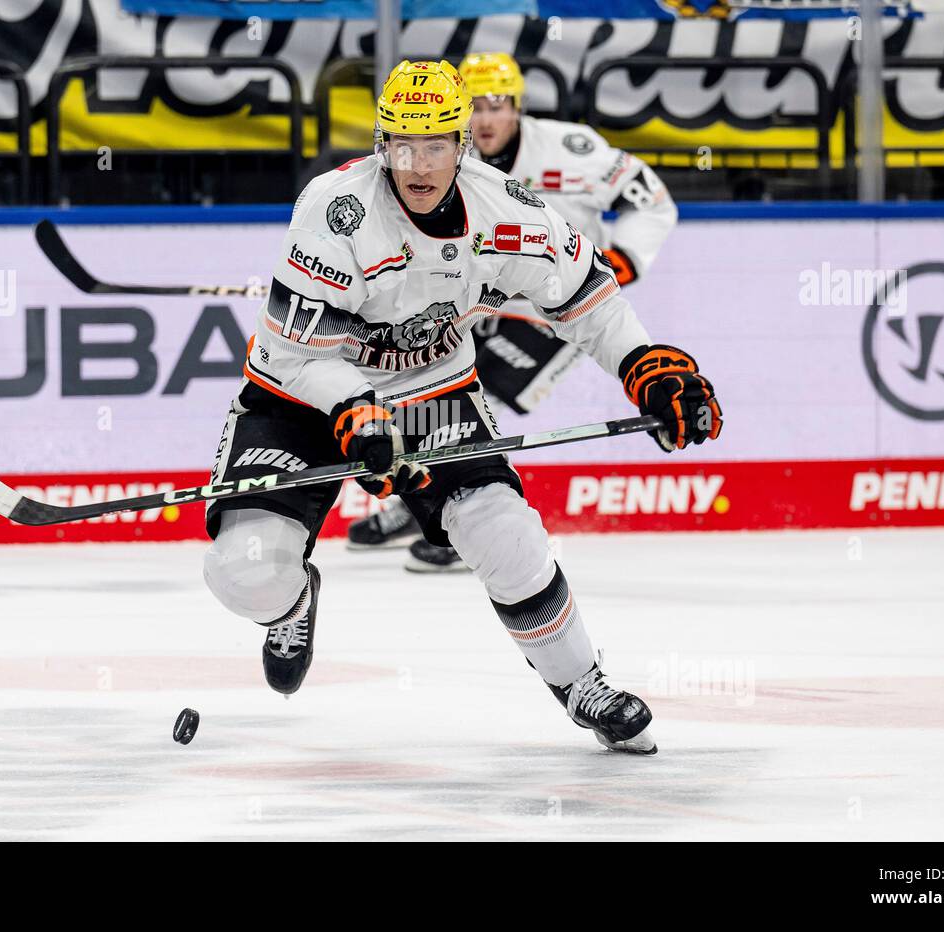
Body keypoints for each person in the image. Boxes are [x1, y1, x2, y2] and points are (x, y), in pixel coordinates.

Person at [200, 60, 721, 753]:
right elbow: (294, 353)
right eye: (402, 146)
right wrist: (353, 409)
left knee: (505, 534)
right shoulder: (333, 209)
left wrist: (644, 365)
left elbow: (588, 297)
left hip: (429, 390)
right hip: (301, 395)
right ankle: (291, 602)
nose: (418, 165)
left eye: (435, 145)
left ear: (461, 143)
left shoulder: (508, 210)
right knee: (245, 569)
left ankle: (583, 683)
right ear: (382, 143)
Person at [348, 52, 679, 573]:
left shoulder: (573, 150)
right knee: (422, 378)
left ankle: (464, 516)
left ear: (518, 106)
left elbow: (653, 200)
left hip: (557, 305)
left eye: (497, 105)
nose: (485, 119)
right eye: (474, 106)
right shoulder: (442, 159)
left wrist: (624, 259)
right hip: (481, 301)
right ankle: (422, 501)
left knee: (484, 384)